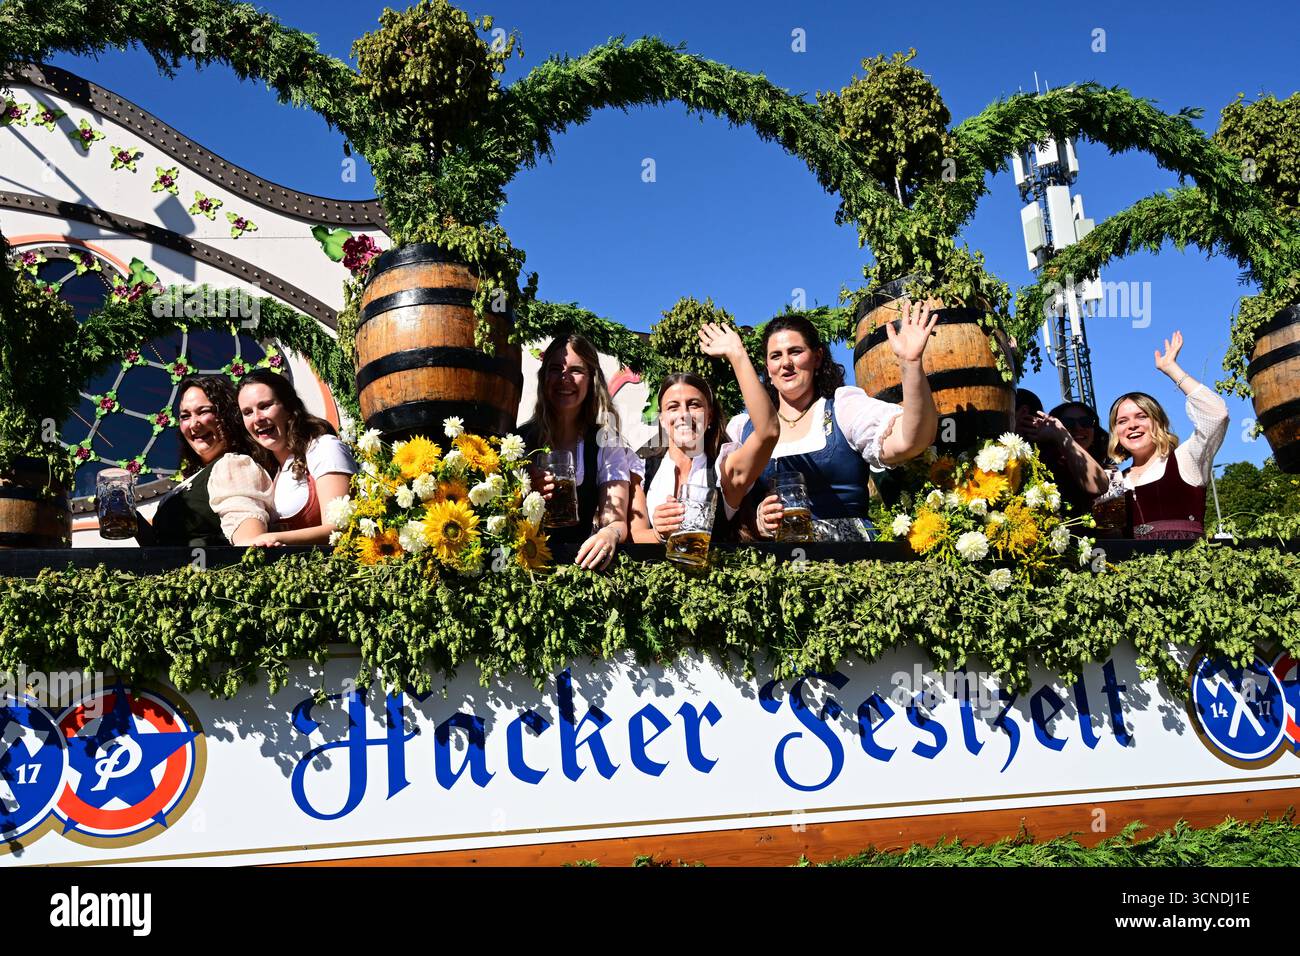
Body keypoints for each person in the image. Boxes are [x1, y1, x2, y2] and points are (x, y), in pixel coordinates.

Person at [730, 303, 939, 542]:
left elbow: (910, 441)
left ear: (817, 358)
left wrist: (910, 364)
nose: (785, 363)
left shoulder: (843, 408)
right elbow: (725, 502)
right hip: (777, 569)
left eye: (795, 352)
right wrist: (757, 521)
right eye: (776, 356)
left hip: (852, 562)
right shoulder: (743, 429)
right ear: (768, 368)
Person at [629, 322, 778, 544]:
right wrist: (659, 534)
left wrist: (737, 356)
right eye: (673, 407)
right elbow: (634, 534)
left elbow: (768, 431)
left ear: (709, 417)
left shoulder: (724, 472)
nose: (684, 414)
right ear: (661, 419)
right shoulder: (642, 470)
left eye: (694, 405)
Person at [522, 332, 642, 570]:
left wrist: (609, 534)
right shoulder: (519, 441)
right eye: (556, 369)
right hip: (522, 567)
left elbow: (615, 520)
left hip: (578, 567)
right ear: (544, 377)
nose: (564, 378)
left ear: (591, 380)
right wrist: (523, 494)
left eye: (576, 370)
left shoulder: (606, 443)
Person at [1108, 331, 1230, 540]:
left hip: (1188, 566)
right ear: (1116, 433)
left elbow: (1216, 415)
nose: (1132, 425)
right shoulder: (1114, 480)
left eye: (1141, 416)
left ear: (1159, 422)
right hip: (1134, 569)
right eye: (1122, 421)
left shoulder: (1185, 459)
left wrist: (1171, 369)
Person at [136, 374, 273, 547]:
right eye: (185, 416)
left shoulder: (232, 465)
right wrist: (130, 518)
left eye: (203, 412)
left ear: (227, 416)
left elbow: (249, 540)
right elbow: (167, 548)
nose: (193, 424)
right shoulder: (198, 477)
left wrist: (249, 543)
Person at [236, 368, 358, 546]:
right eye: (247, 412)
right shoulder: (272, 470)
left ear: (288, 407)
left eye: (265, 406)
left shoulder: (323, 448)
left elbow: (340, 529)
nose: (257, 418)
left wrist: (273, 538)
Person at [1016, 399, 1110, 517]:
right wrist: (1061, 436)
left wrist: (1064, 436)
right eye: (1067, 423)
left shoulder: (1108, 469)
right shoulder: (1046, 467)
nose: (1078, 427)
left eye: (1085, 422)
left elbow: (1098, 485)